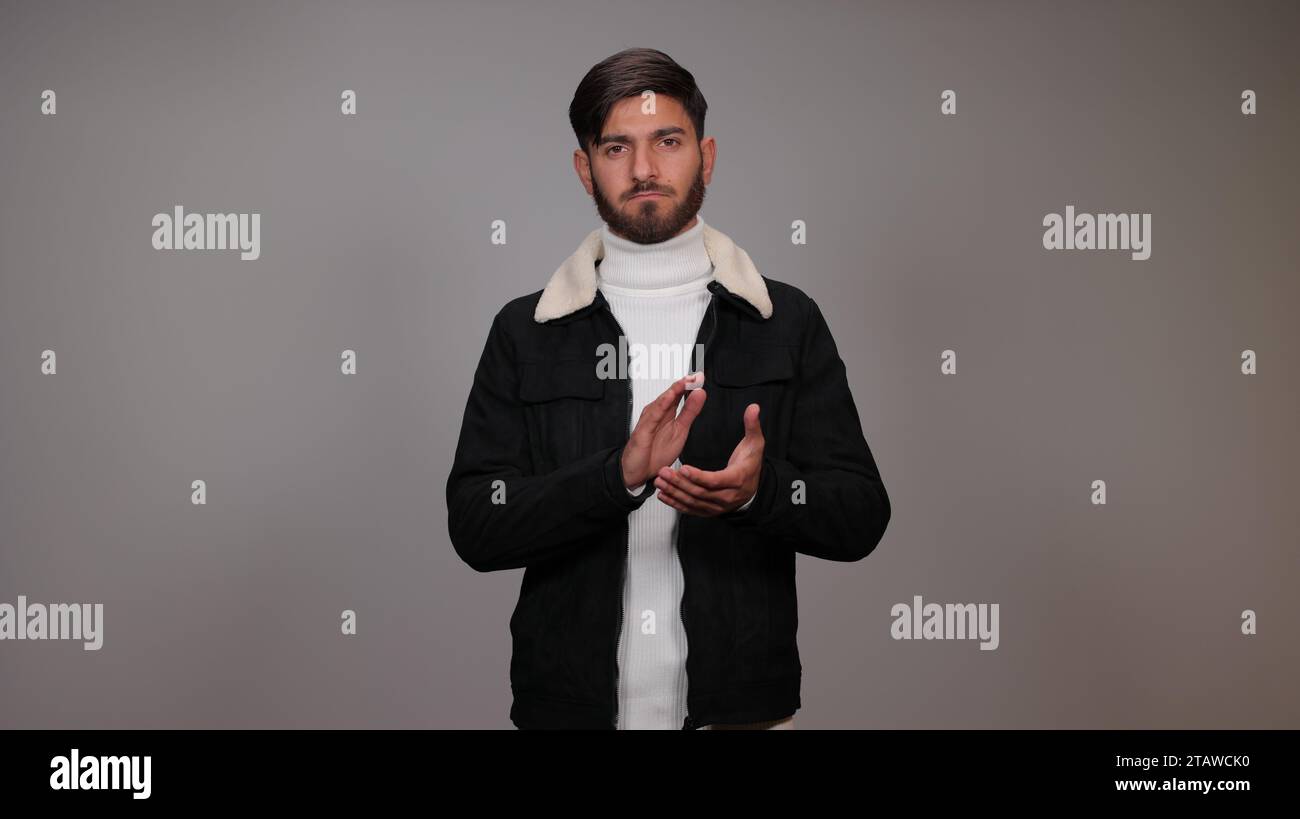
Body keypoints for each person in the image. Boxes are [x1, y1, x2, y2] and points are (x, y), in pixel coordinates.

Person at [446, 47, 891, 729]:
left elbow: (861, 513)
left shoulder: (785, 320)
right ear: (583, 168)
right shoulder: (526, 330)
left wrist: (760, 492)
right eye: (616, 146)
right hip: (567, 713)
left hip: (744, 715)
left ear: (706, 157)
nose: (645, 169)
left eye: (668, 141)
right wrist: (616, 477)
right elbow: (477, 524)